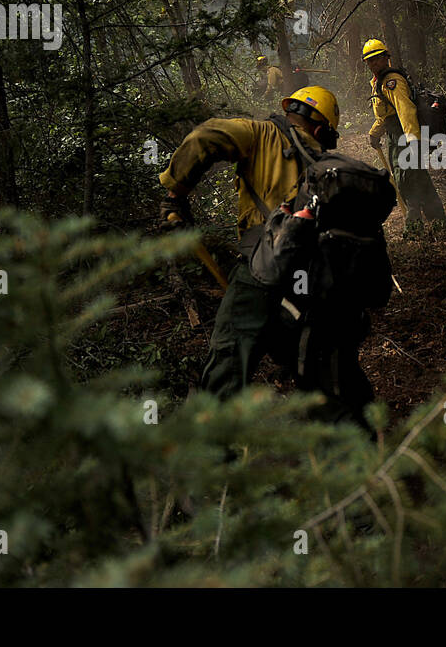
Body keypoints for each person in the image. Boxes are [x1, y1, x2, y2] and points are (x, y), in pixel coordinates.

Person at [158, 86, 377, 428]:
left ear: (293, 111)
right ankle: (358, 451)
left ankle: (215, 457)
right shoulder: (330, 168)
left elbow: (206, 136)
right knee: (324, 369)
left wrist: (176, 192)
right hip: (313, 282)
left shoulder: (261, 133)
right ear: (322, 129)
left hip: (262, 272)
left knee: (230, 357)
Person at [362, 38, 446, 231]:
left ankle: (415, 230)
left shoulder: (392, 82)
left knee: (407, 181)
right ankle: (439, 223)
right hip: (395, 136)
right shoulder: (379, 81)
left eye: (377, 58)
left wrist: (413, 142)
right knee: (417, 179)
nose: (374, 63)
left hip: (405, 137)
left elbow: (405, 112)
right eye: (370, 60)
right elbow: (387, 114)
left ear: (386, 58)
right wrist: (375, 133)